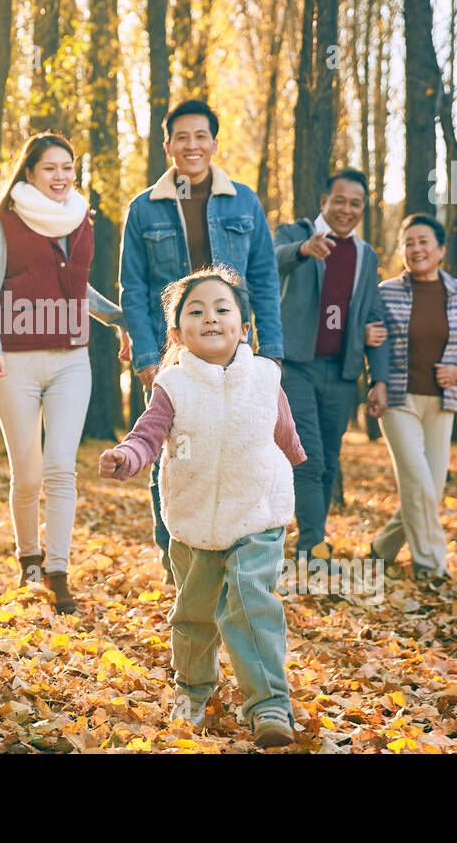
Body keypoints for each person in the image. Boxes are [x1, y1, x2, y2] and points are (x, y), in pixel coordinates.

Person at [99, 266, 303, 745]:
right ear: (176, 333)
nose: (210, 317)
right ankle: (191, 690)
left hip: (257, 513)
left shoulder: (264, 377)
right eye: (196, 311)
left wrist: (298, 468)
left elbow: (285, 433)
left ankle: (270, 706)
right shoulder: (173, 385)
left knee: (251, 606)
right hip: (193, 521)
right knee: (193, 615)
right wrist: (126, 457)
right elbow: (148, 435)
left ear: (243, 325)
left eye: (222, 308)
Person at [119, 99, 284, 582]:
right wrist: (148, 357)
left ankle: (237, 551)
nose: (192, 145)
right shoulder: (143, 209)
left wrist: (271, 352)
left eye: (201, 136)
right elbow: (133, 287)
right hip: (173, 349)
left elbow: (264, 279)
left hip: (237, 346)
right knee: (172, 448)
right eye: (181, 138)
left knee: (239, 442)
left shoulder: (244, 202)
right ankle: (179, 562)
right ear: (168, 145)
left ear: (214, 142)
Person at [0, 132, 131, 615]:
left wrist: (120, 318)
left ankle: (58, 572)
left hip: (70, 362)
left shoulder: (81, 220)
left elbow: (77, 289)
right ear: (30, 173)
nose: (62, 177)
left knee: (62, 466)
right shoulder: (6, 223)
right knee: (29, 472)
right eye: (51, 168)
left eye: (68, 168)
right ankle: (29, 561)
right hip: (14, 362)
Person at [274, 168, 390, 570]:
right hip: (297, 366)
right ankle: (312, 550)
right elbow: (269, 265)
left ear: (362, 209)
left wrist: (379, 378)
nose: (346, 209)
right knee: (310, 457)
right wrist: (304, 249)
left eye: (355, 203)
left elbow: (374, 317)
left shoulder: (366, 255)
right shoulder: (294, 233)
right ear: (324, 199)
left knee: (331, 459)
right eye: (339, 200)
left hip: (342, 372)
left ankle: (312, 549)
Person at [369, 213, 457, 583]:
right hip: (397, 401)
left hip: (442, 403)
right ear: (402, 251)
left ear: (440, 249)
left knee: (429, 490)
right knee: (419, 483)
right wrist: (373, 377)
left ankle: (381, 549)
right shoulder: (385, 292)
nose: (416, 248)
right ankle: (431, 566)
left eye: (423, 241)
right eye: (408, 242)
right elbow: (372, 340)